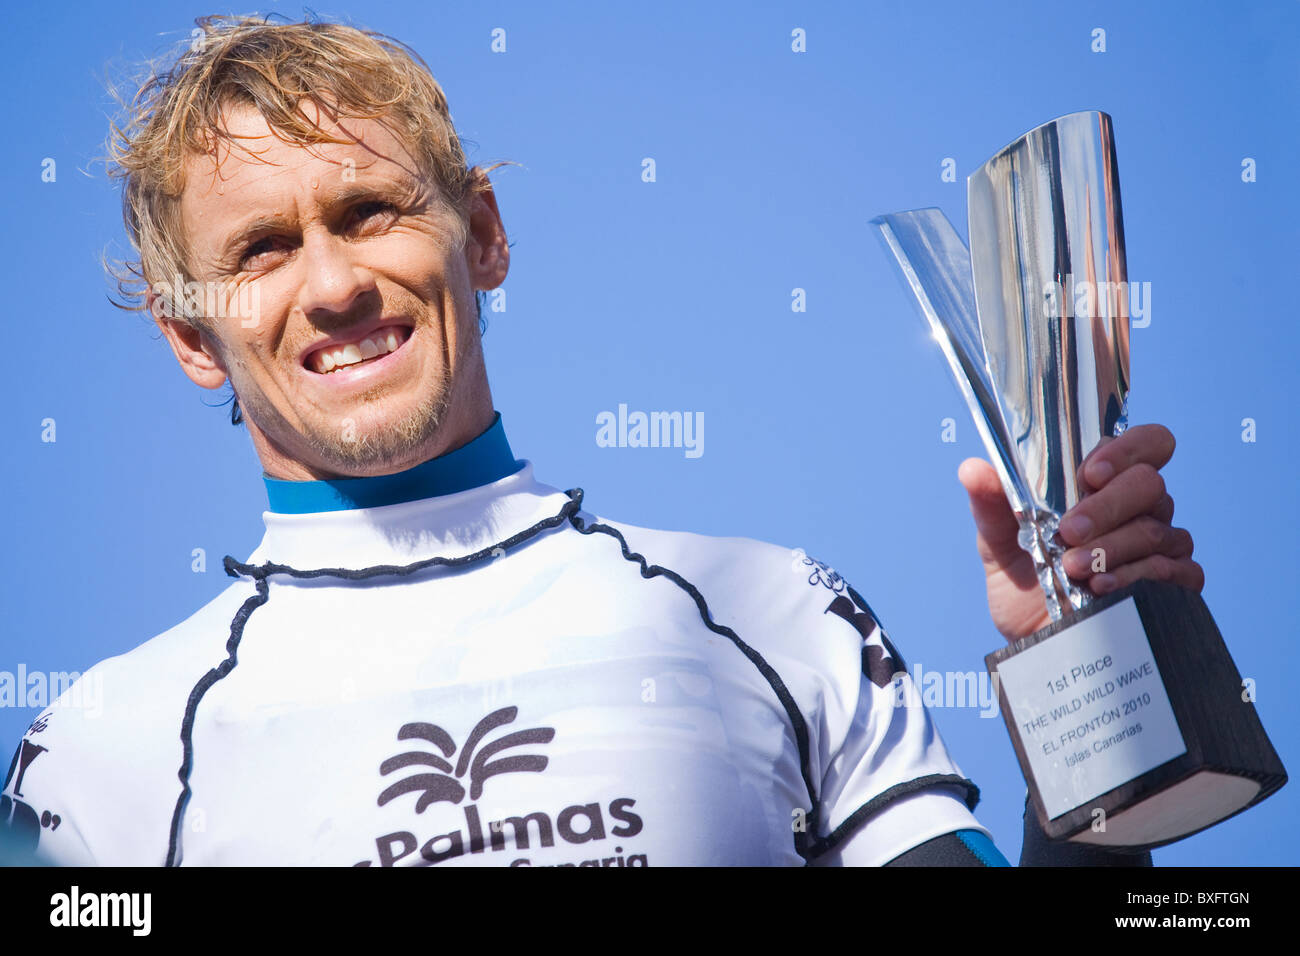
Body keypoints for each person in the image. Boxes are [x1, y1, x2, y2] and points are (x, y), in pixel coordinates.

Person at [0, 15, 1203, 867]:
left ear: (482, 234)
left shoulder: (777, 613)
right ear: (192, 338)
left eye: (370, 212)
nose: (332, 284)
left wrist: (1084, 667)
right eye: (259, 249)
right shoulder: (98, 755)